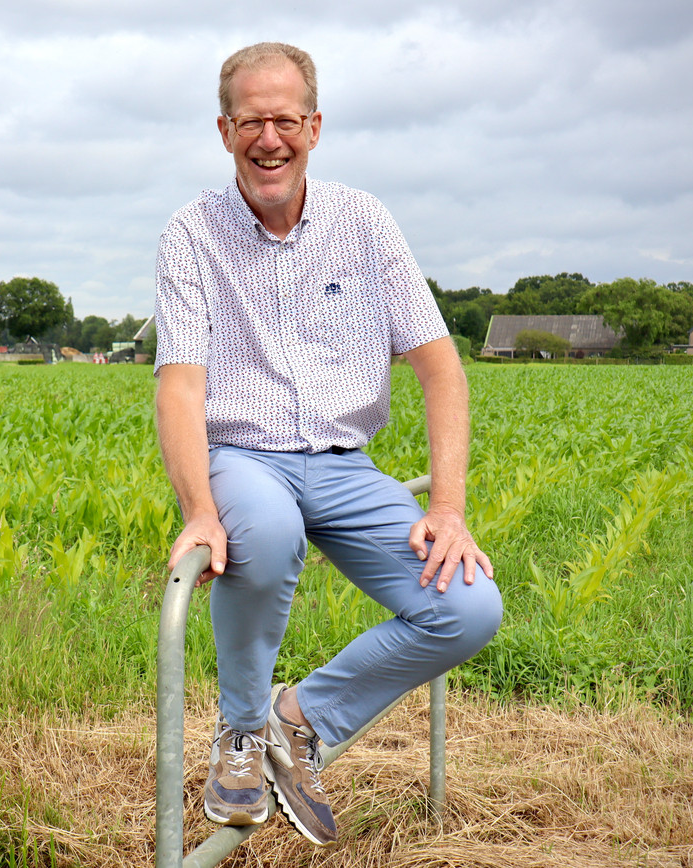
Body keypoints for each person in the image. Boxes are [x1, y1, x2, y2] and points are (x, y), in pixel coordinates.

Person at [153, 42, 502, 847]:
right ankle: (239, 733)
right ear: (223, 129)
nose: (268, 138)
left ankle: (297, 718)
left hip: (346, 465)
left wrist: (447, 507)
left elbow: (441, 370)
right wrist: (199, 508)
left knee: (470, 608)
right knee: (263, 534)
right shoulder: (191, 233)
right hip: (246, 459)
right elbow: (180, 385)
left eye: (284, 120)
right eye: (251, 121)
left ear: (314, 126)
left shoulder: (364, 221)